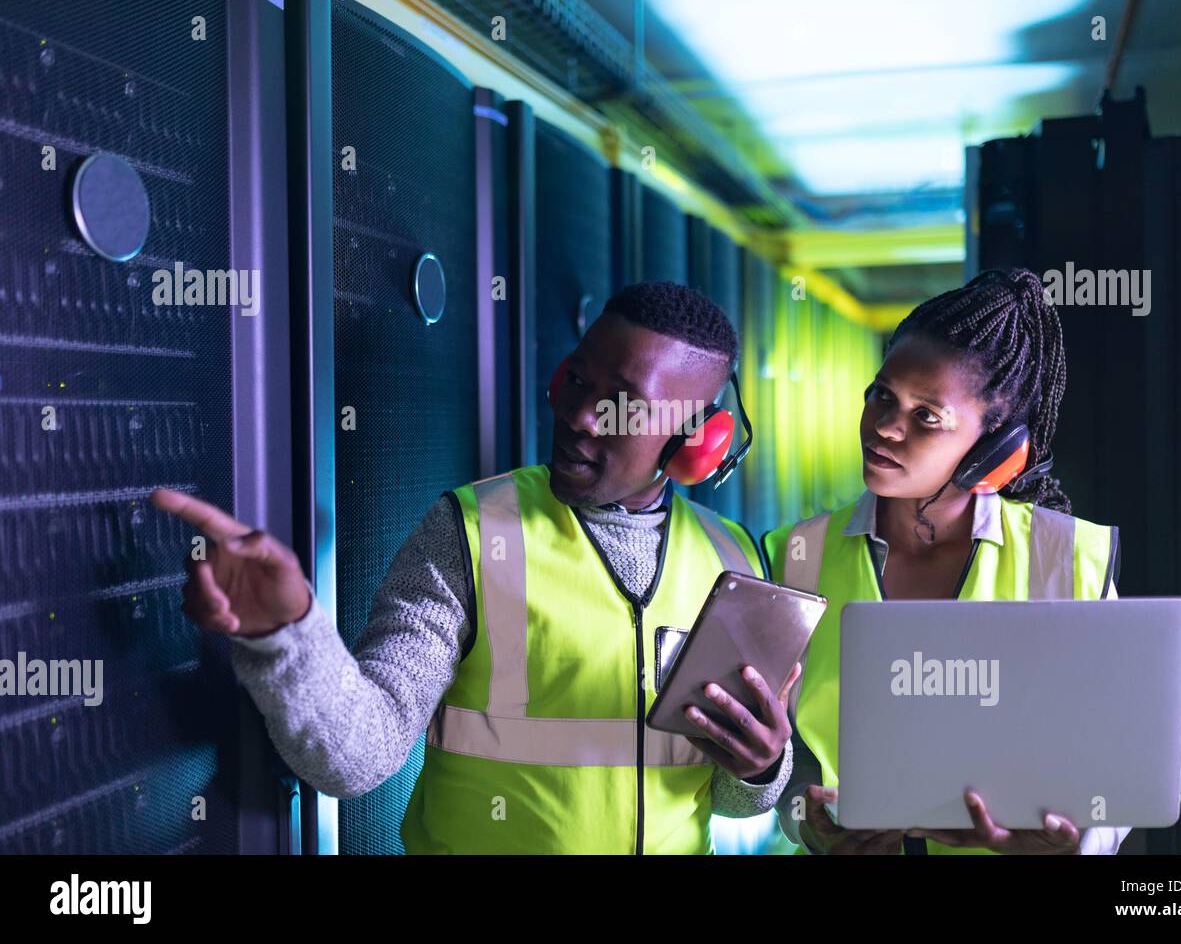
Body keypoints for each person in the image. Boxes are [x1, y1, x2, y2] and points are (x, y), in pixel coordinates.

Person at [152, 281, 798, 854]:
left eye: (622, 404)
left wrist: (763, 766)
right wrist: (284, 635)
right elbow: (356, 758)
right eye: (577, 380)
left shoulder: (733, 559)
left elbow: (732, 799)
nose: (577, 417)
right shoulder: (471, 532)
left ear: (693, 440)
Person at [765, 268, 1130, 856]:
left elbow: (1117, 764)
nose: (884, 427)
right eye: (881, 395)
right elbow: (790, 754)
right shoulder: (797, 554)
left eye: (926, 416)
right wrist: (809, 821)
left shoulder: (1068, 561)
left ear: (996, 449)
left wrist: (1071, 846)